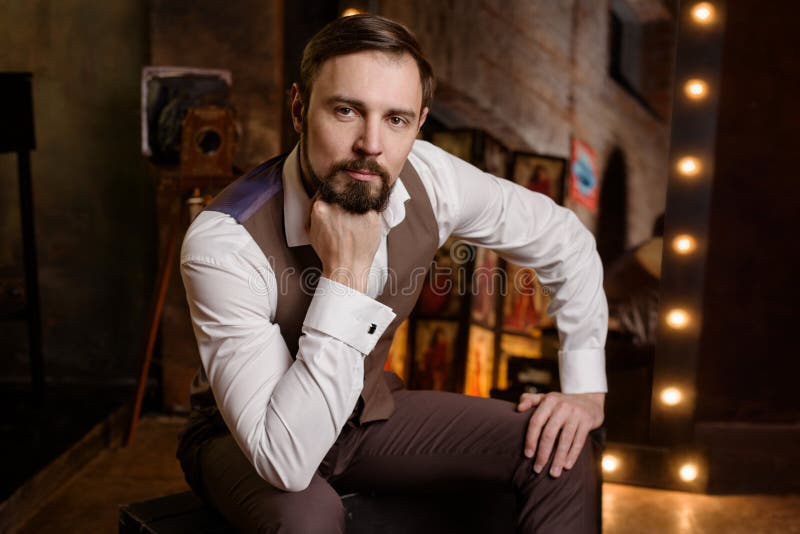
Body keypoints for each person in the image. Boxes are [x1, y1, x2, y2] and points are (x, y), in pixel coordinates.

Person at [177, 14, 607, 533]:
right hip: (246, 438)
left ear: (419, 123)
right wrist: (346, 273)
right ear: (298, 108)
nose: (371, 144)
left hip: (365, 416)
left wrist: (585, 389)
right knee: (306, 518)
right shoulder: (224, 243)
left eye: (396, 119)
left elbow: (566, 240)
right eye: (346, 111)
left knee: (560, 451)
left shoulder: (432, 178)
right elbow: (285, 460)